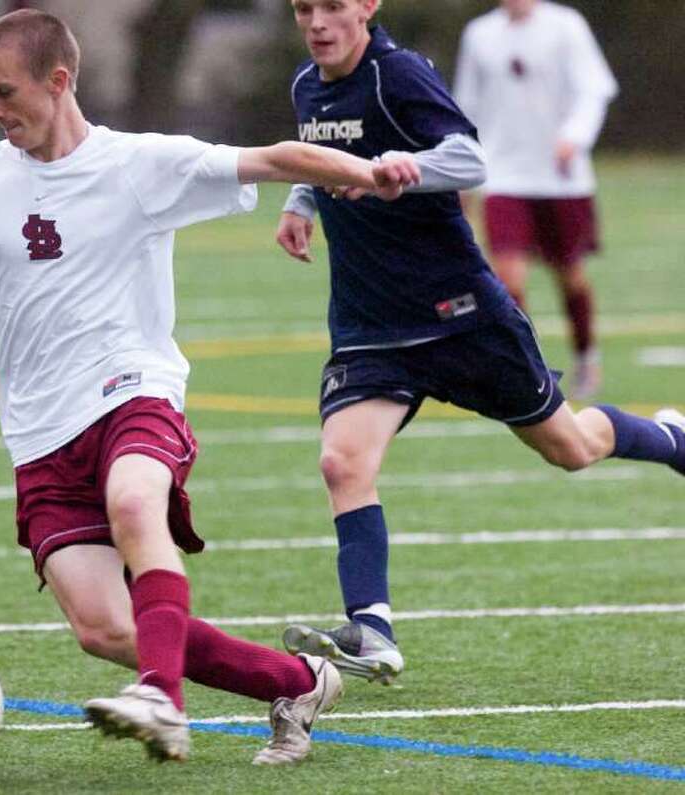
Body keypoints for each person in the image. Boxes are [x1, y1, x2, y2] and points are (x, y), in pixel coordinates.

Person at [0, 9, 409, 764]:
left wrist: (369, 174)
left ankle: (162, 699)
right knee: (105, 629)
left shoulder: (139, 165)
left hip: (133, 389)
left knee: (133, 501)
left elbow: (274, 158)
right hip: (40, 429)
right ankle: (298, 680)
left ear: (58, 81)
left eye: (4, 91)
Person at [273, 0, 684, 686]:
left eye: (332, 6)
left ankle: (673, 439)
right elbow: (322, 156)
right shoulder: (305, 85)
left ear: (368, 5)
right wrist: (301, 203)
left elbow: (467, 158)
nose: (316, 21)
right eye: (302, 7)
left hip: (459, 314)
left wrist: (406, 167)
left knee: (572, 449)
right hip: (371, 325)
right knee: (342, 463)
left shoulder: (398, 76)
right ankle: (372, 629)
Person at [454, 0, 618, 399]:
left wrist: (574, 137)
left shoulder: (567, 26)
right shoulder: (479, 35)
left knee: (570, 275)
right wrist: (461, 177)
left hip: (562, 180)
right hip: (503, 176)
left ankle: (585, 356)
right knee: (507, 279)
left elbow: (595, 90)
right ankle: (532, 370)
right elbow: (464, 108)